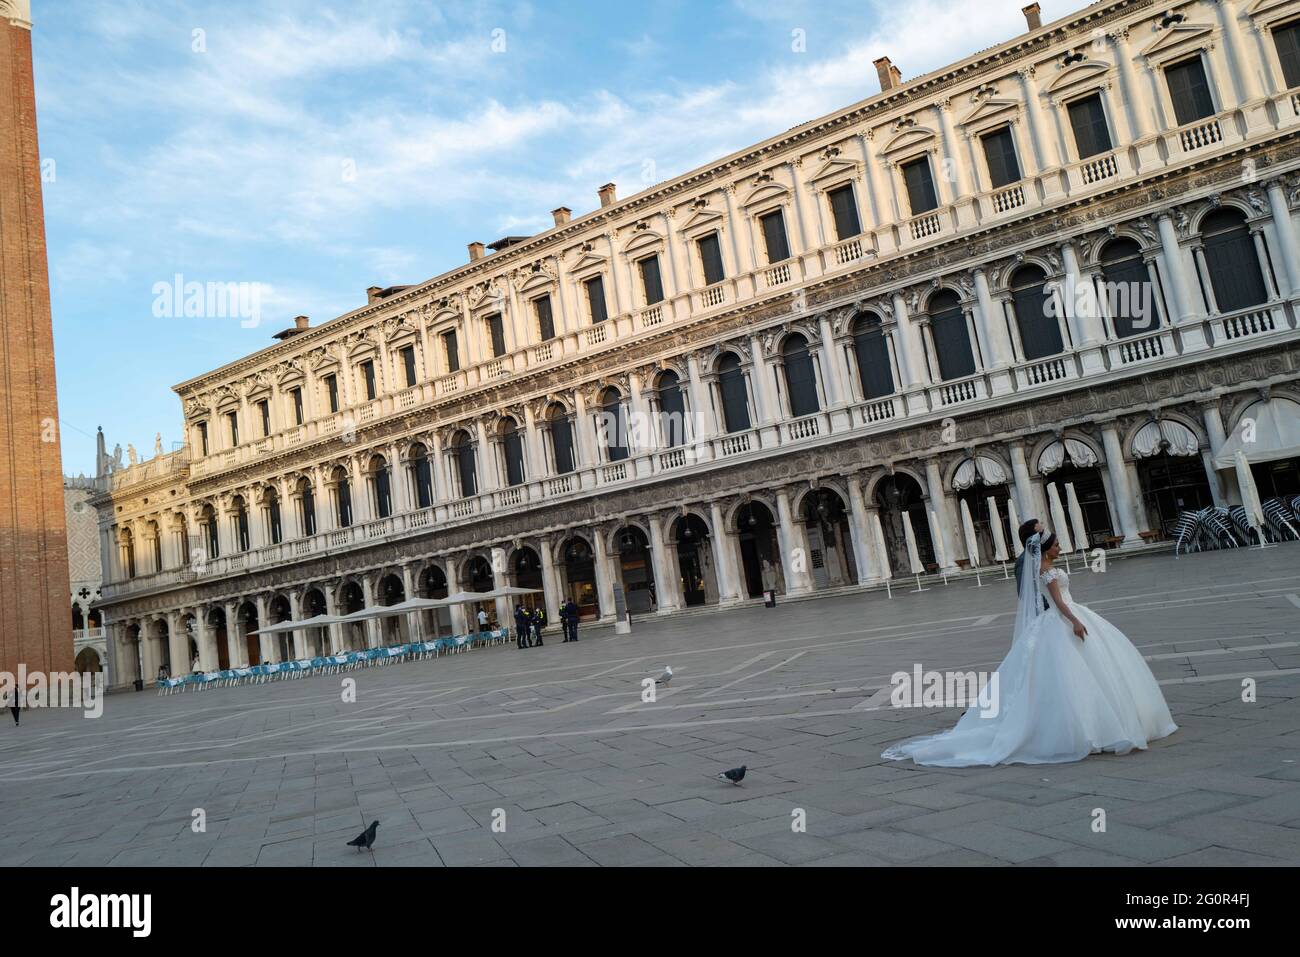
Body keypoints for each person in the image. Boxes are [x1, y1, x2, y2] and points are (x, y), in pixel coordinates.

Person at [881, 532, 1177, 766]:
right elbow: (1059, 602)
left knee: (1082, 672)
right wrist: (1074, 620)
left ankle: (1095, 727)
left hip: (1066, 616)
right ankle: (1089, 729)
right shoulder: (1045, 572)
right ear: (1046, 549)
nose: (1060, 548)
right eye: (1056, 545)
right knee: (1072, 674)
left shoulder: (1044, 566)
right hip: (1063, 617)